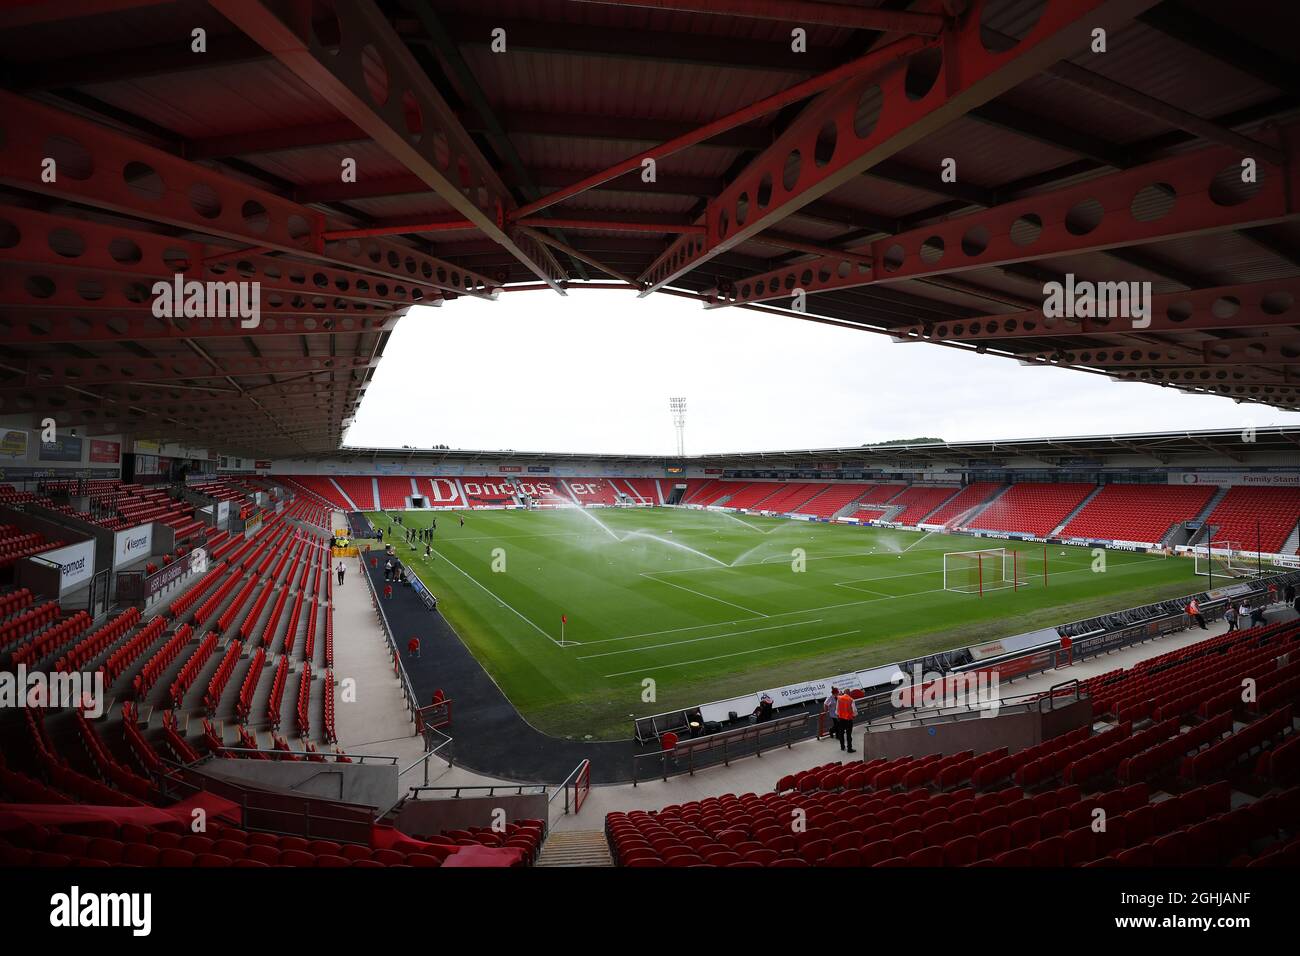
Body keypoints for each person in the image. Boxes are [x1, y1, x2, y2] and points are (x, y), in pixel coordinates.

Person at [836, 689, 857, 753]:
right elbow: (854, 710)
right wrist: (854, 716)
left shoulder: (839, 698)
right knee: (848, 734)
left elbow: (837, 709)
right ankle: (849, 748)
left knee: (841, 733)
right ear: (849, 693)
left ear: (844, 693)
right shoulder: (851, 700)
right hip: (848, 719)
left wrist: (838, 716)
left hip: (841, 718)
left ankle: (842, 746)